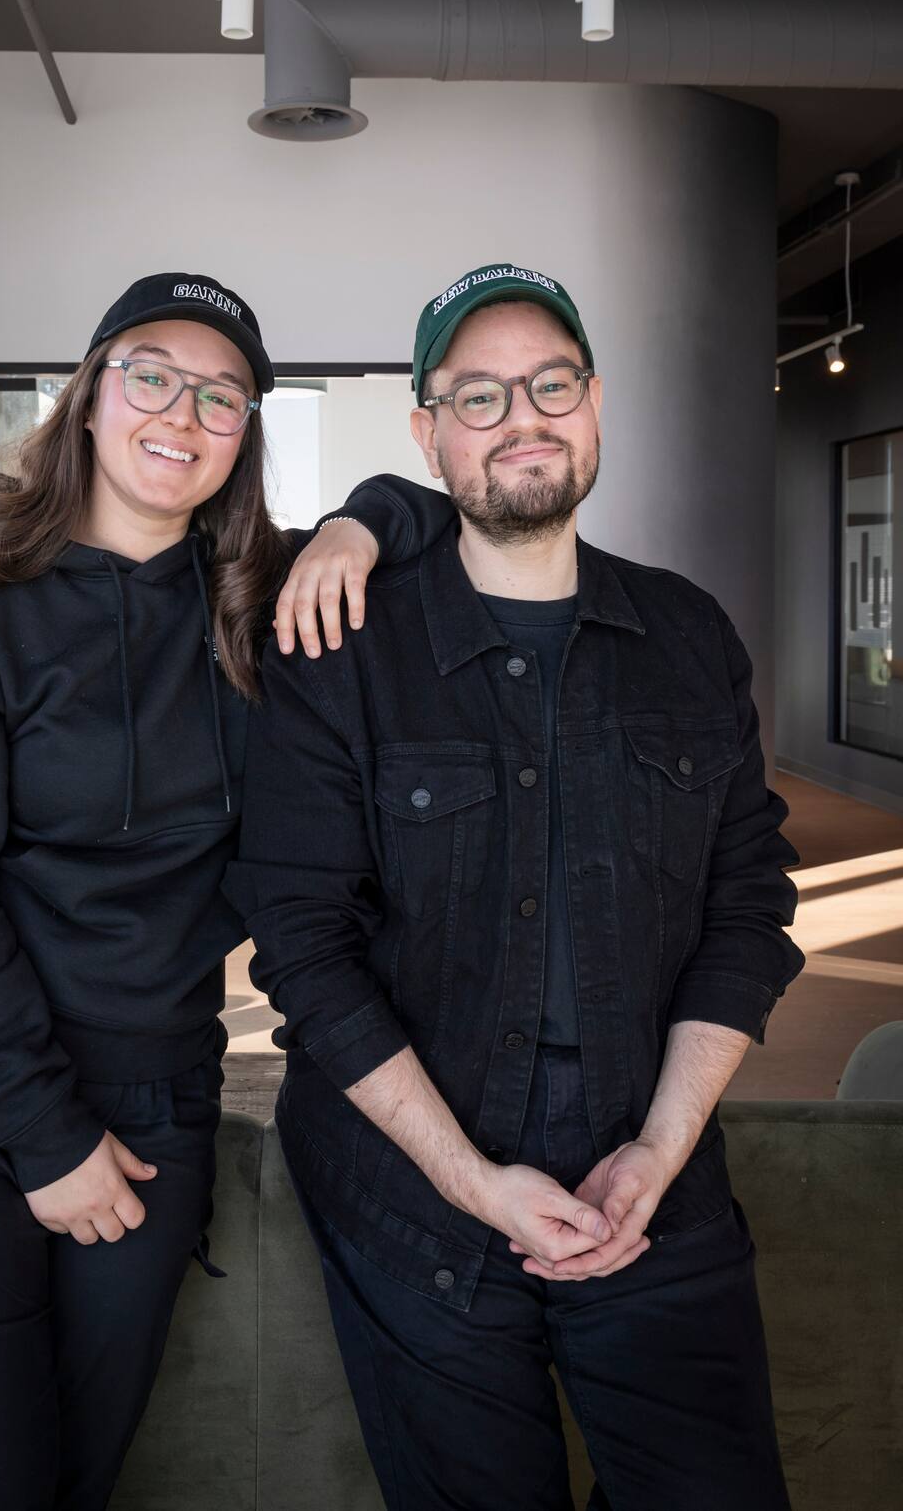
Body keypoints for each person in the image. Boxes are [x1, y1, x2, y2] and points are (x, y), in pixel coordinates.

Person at [0, 271, 451, 1511]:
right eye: (152, 373)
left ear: (245, 430)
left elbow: (430, 513)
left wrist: (361, 527)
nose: (183, 410)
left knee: (72, 1474)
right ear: (89, 395)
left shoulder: (260, 604)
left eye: (223, 394)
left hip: (152, 1094)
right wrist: (46, 1133)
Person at [224, 262, 804, 1511]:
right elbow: (304, 947)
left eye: (550, 383)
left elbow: (750, 902)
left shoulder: (691, 632)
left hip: (653, 1172)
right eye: (477, 397)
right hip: (416, 1194)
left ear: (594, 404)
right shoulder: (341, 644)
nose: (521, 417)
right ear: (427, 432)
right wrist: (471, 1180)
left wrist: (658, 1146)